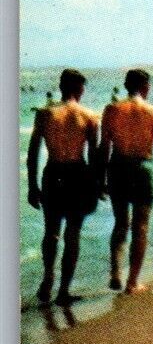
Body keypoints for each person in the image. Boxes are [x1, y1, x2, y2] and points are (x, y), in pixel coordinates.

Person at [26, 69, 101, 306]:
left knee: (51, 231)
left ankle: (48, 276)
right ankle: (63, 290)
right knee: (73, 234)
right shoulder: (89, 116)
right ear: (80, 89)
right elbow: (94, 155)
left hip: (53, 173)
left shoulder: (46, 114)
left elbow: (33, 153)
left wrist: (31, 185)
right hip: (78, 174)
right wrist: (98, 184)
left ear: (61, 87)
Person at [99, 69, 153, 294]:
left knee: (121, 223)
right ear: (146, 87)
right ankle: (132, 282)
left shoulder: (112, 109)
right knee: (141, 227)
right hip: (144, 168)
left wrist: (100, 177)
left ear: (125, 85)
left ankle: (115, 273)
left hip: (118, 166)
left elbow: (104, 147)